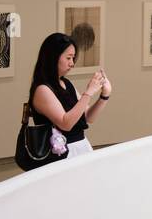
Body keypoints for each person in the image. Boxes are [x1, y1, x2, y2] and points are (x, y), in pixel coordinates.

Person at [27, 32, 112, 161]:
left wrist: (104, 95)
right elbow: (66, 124)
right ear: (53, 57)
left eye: (73, 58)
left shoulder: (66, 83)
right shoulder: (42, 90)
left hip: (80, 147)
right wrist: (88, 93)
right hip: (60, 154)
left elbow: (88, 117)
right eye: (68, 58)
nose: (72, 63)